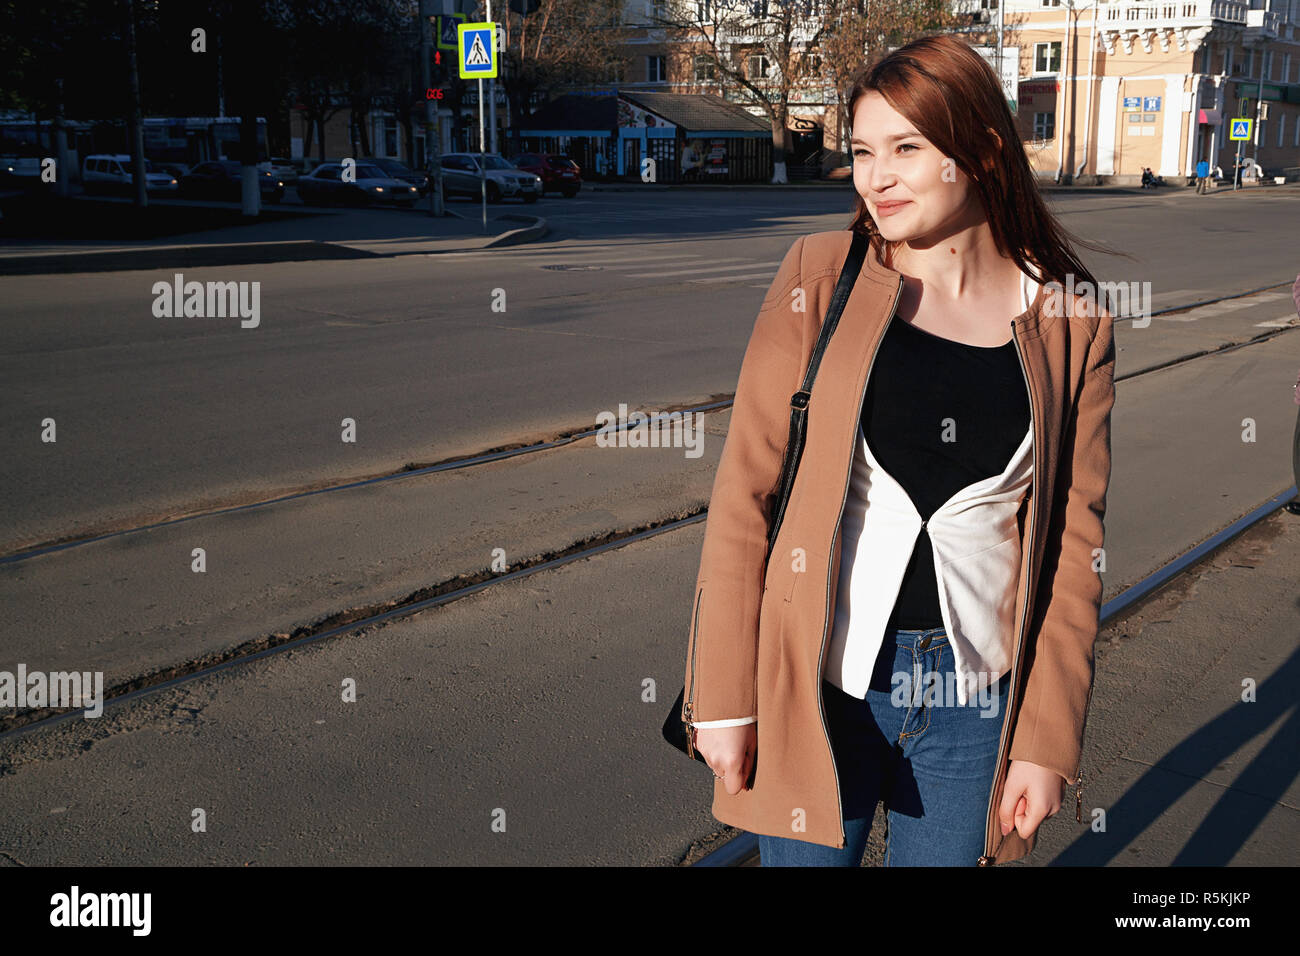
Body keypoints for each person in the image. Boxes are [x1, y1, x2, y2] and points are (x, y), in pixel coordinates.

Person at [679, 33, 1124, 866]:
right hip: (820, 685)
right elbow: (745, 496)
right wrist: (723, 697)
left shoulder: (1071, 322)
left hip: (976, 704)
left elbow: (1072, 545)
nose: (874, 177)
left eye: (906, 149)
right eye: (861, 151)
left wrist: (1047, 738)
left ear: (982, 150)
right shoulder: (822, 276)